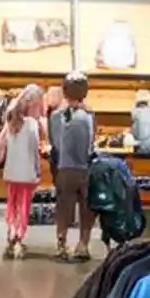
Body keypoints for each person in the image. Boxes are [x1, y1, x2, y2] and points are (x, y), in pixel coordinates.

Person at [0, 85, 45, 260]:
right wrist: (38, 169)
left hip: (11, 171)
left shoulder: (11, 120)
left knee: (12, 204)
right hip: (27, 172)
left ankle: (10, 233)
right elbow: (34, 150)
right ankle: (19, 239)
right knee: (24, 206)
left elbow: (3, 144)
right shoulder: (32, 125)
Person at [50, 71, 96, 262]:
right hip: (84, 167)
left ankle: (62, 244)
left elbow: (55, 144)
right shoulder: (89, 115)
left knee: (63, 207)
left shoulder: (55, 116)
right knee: (87, 208)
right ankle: (83, 244)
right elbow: (91, 144)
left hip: (64, 166)